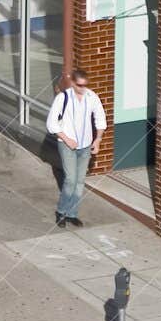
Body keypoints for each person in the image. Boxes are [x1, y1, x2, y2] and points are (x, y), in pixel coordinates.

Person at [45, 67, 106, 229]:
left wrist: (98, 140)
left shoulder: (92, 97)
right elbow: (51, 124)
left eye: (85, 85)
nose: (82, 88)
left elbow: (100, 119)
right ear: (72, 82)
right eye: (79, 85)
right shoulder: (63, 98)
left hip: (85, 146)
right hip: (66, 145)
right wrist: (67, 139)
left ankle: (72, 214)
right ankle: (61, 212)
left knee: (80, 181)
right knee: (71, 179)